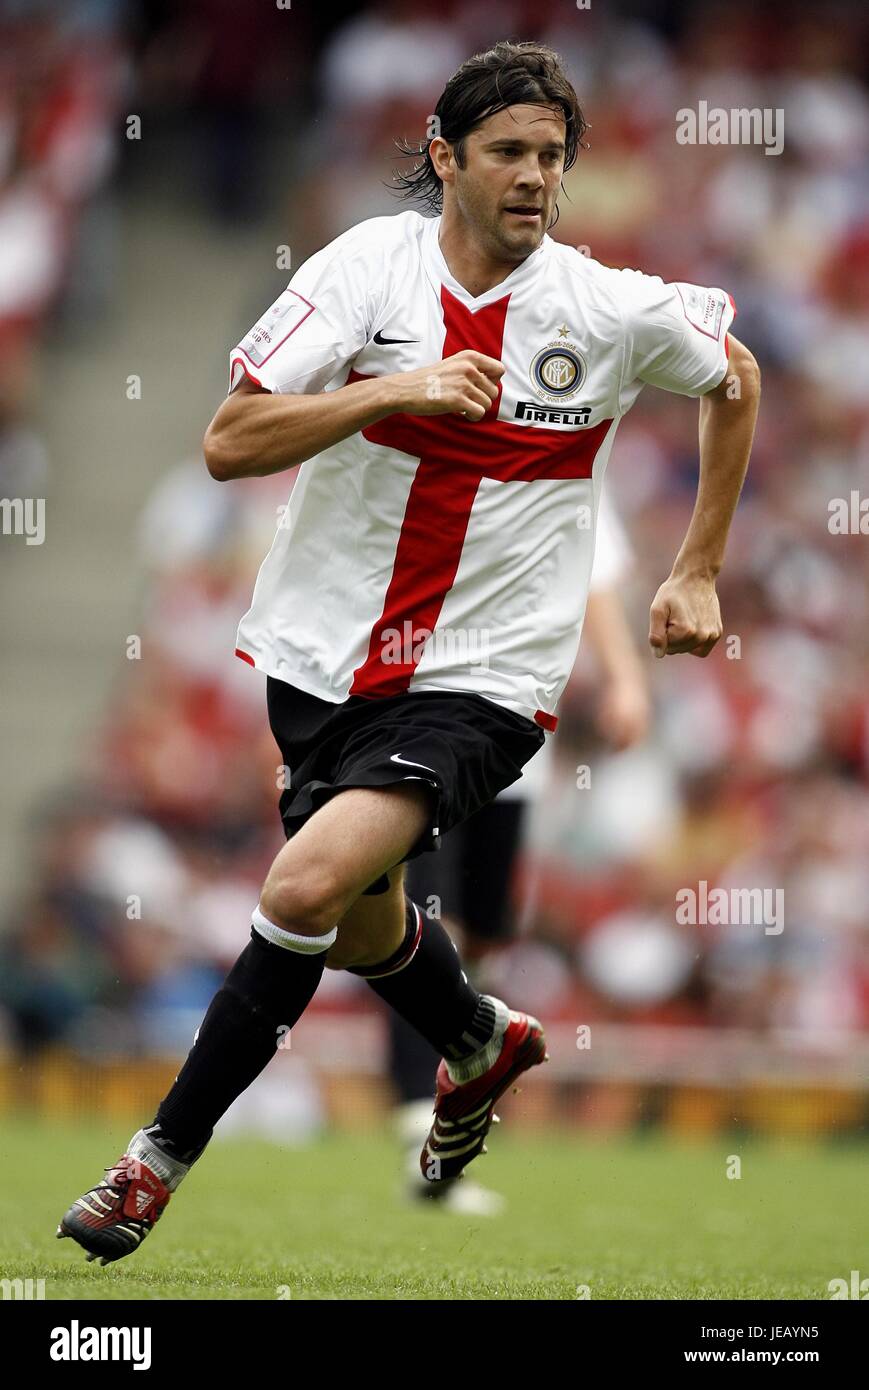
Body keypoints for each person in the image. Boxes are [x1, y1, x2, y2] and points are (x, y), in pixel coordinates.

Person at [57, 40, 759, 1264]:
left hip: (486, 678)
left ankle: (151, 1163)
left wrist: (694, 563)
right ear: (443, 158)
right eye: (507, 152)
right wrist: (395, 392)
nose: (534, 176)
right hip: (322, 659)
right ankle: (479, 1040)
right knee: (367, 919)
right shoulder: (361, 271)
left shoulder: (599, 306)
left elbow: (732, 376)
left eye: (551, 155)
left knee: (302, 889)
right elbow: (231, 441)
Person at [392, 496, 652, 1214]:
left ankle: (446, 1100)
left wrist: (624, 680)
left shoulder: (574, 459)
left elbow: (592, 576)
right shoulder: (453, 436)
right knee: (421, 917)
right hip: (423, 718)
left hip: (514, 741)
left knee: (481, 934)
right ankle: (421, 1112)